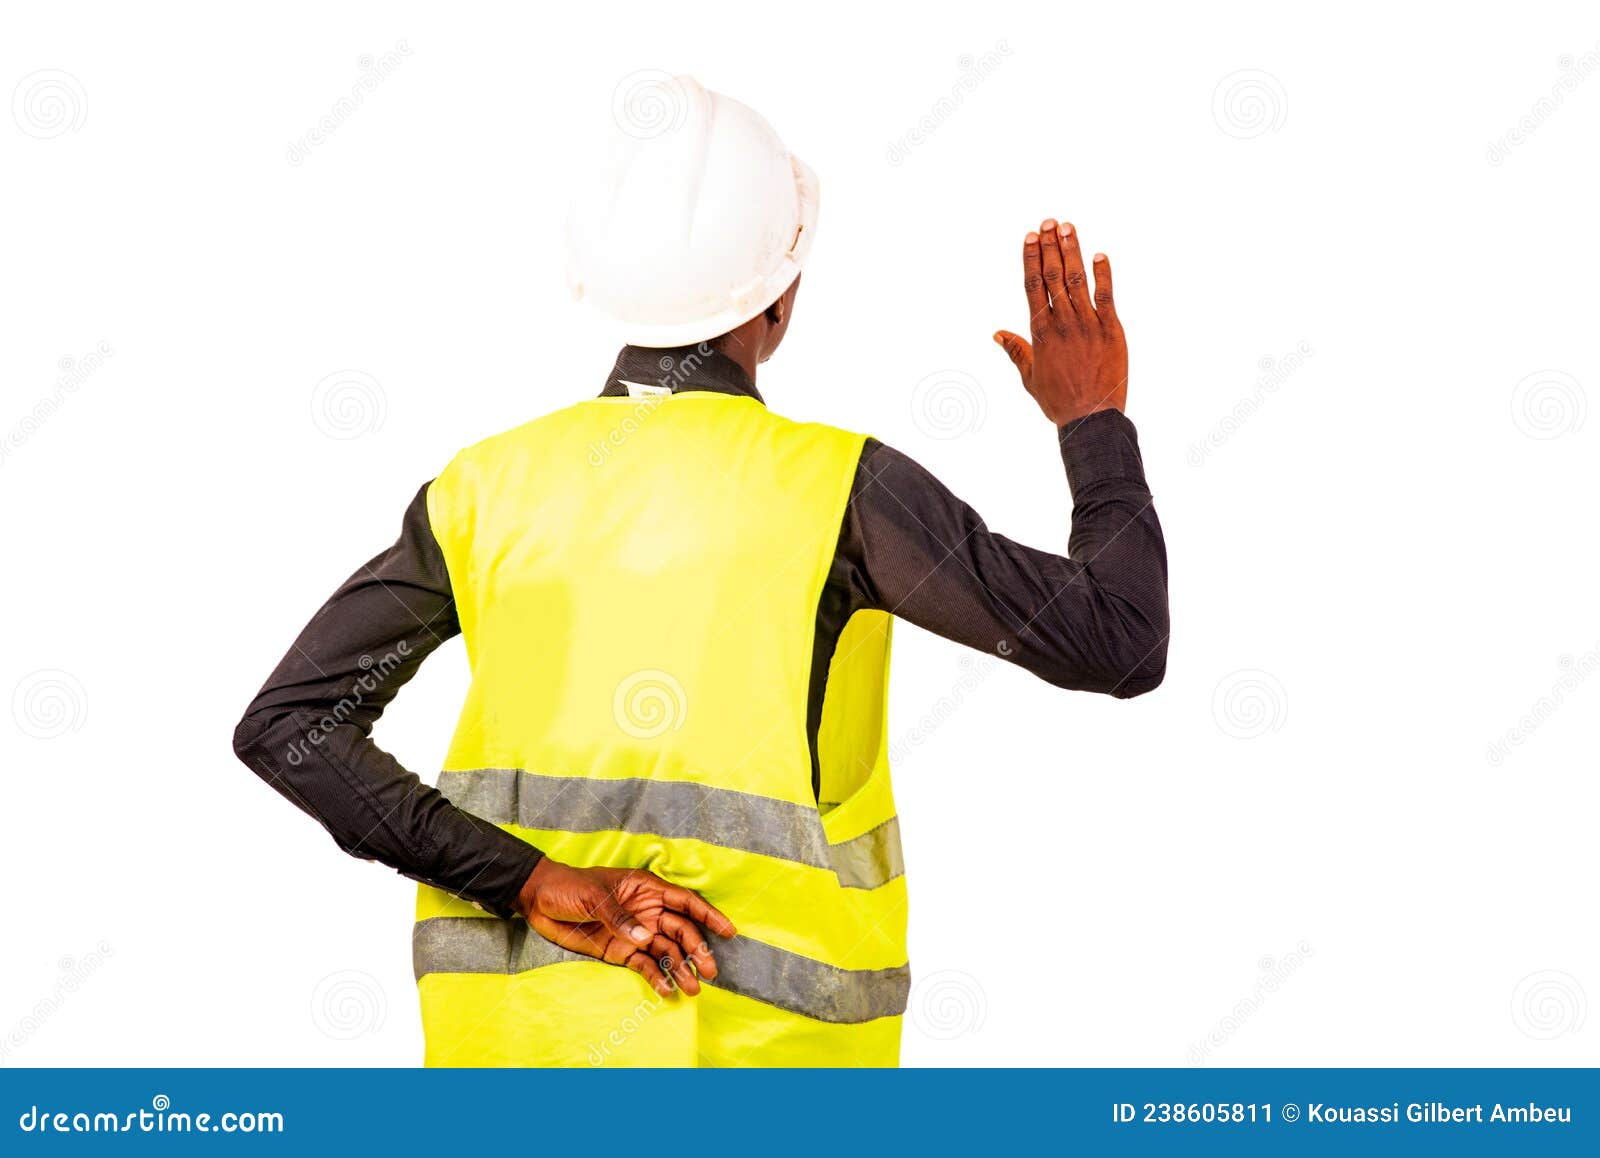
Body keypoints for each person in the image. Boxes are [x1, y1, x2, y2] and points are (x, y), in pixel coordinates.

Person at [232, 76, 1167, 1067]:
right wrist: (1090, 419)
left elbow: (290, 729)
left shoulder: (484, 491)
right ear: (782, 293)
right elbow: (1118, 640)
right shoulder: (844, 492)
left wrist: (529, 879)